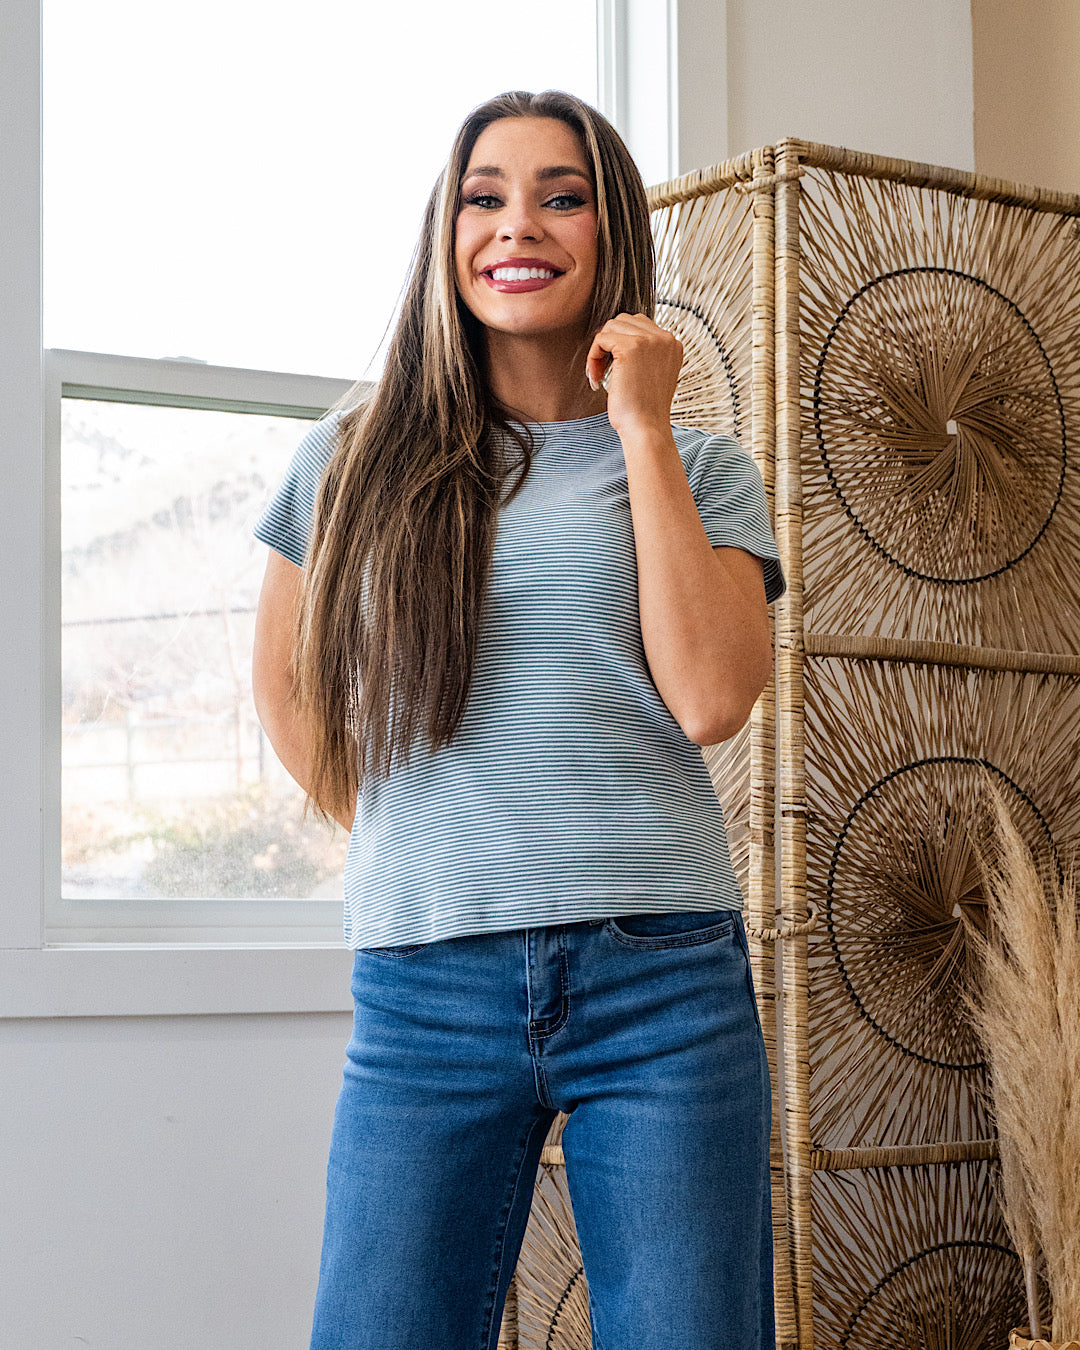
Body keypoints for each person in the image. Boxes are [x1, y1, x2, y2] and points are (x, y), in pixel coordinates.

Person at [251, 88, 786, 1350]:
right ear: (449, 231)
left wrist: (641, 426)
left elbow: (712, 696)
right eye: (484, 196)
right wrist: (420, 835)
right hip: (427, 986)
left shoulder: (704, 470)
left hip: (660, 983)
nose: (517, 225)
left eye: (560, 195)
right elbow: (287, 684)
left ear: (611, 233)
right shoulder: (355, 456)